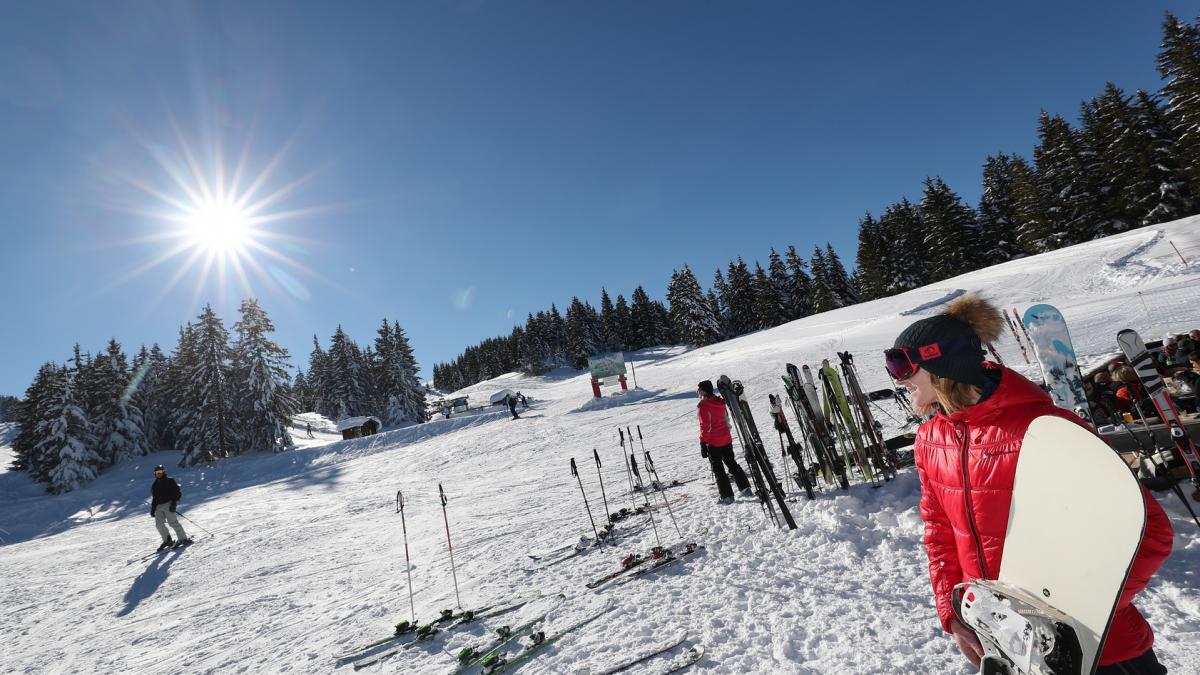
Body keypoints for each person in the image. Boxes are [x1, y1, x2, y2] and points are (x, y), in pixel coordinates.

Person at [888, 294, 1173, 674]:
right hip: (1009, 646)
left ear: (943, 365)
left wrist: (1086, 615)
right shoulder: (931, 441)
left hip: (1102, 651)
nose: (898, 379)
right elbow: (940, 534)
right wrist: (953, 613)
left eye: (903, 366)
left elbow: (1150, 532)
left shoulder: (1045, 430)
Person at [697, 380, 753, 505]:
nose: (698, 391)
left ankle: (727, 496)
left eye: (699, 389)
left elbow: (705, 426)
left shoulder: (703, 405)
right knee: (732, 463)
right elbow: (726, 419)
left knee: (718, 469)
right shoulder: (721, 402)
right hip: (726, 438)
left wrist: (703, 443)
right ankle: (746, 489)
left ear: (704, 390)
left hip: (713, 442)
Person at [150, 465, 193, 551]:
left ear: (163, 472)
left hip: (168, 503)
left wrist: (173, 503)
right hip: (159, 506)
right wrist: (153, 508)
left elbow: (177, 493)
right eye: (157, 473)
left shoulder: (170, 480)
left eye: (161, 472)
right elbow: (155, 498)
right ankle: (167, 540)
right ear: (155, 473)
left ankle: (183, 539)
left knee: (172, 522)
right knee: (159, 525)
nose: (159, 474)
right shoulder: (155, 484)